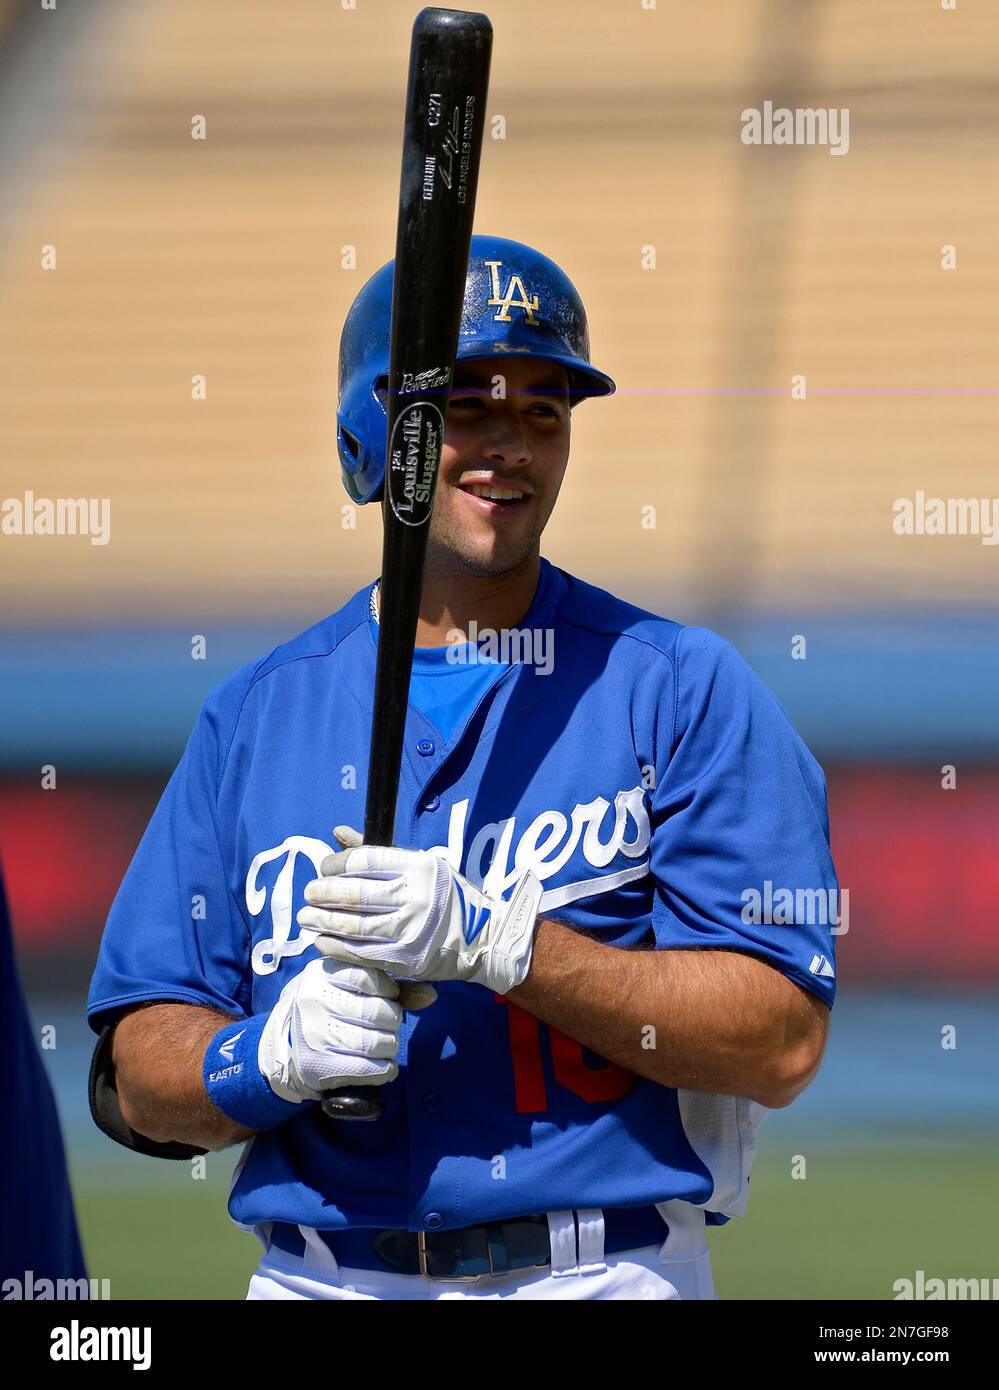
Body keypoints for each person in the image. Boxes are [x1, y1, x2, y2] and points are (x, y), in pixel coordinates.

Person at [88, 235, 837, 1301]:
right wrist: (269, 1057)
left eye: (545, 409)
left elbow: (781, 1039)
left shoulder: (680, 687)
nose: (512, 444)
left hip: (599, 1272)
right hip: (320, 1279)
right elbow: (135, 1073)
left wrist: (505, 943)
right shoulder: (258, 714)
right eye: (471, 403)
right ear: (373, 434)